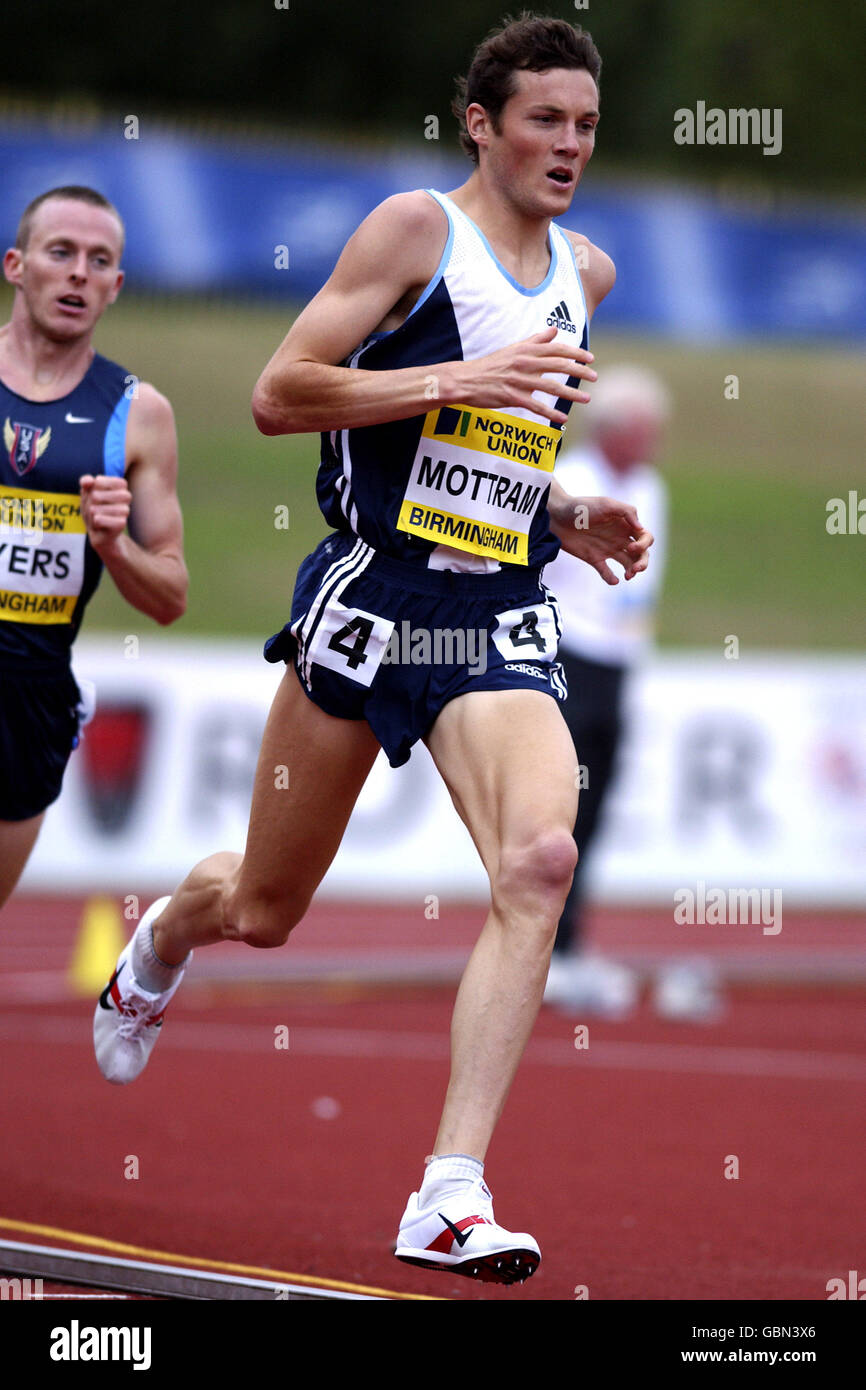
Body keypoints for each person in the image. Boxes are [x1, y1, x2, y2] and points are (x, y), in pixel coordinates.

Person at [93, 15, 652, 1286]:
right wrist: (460, 375)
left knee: (541, 855)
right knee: (267, 908)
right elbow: (280, 393)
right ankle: (164, 943)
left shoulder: (589, 272)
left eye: (583, 124)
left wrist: (565, 512)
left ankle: (445, 1193)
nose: (566, 145)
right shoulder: (414, 230)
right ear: (480, 123)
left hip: (496, 609)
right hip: (368, 600)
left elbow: (500, 455)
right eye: (542, 120)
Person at [0, 186, 187, 911]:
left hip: (32, 695)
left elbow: (169, 596)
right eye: (61, 253)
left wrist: (112, 544)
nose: (79, 272)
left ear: (116, 286)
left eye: (98, 260)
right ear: (16, 265)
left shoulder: (139, 415)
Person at [543, 366, 670, 1017]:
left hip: (618, 664)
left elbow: (645, 579)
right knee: (556, 814)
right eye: (645, 431)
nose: (654, 443)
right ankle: (542, 951)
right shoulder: (572, 483)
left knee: (592, 817)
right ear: (614, 429)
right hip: (570, 656)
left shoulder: (651, 487)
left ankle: (568, 947)